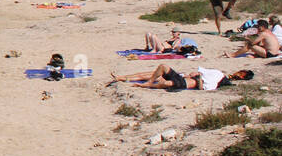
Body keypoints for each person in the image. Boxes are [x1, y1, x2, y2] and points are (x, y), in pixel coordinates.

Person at [108, 63, 252, 90]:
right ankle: (121, 78)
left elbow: (198, 76)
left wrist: (196, 75)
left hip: (184, 81)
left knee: (164, 81)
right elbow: (198, 74)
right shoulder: (218, 76)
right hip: (184, 79)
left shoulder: (218, 76)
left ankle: (146, 83)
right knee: (155, 72)